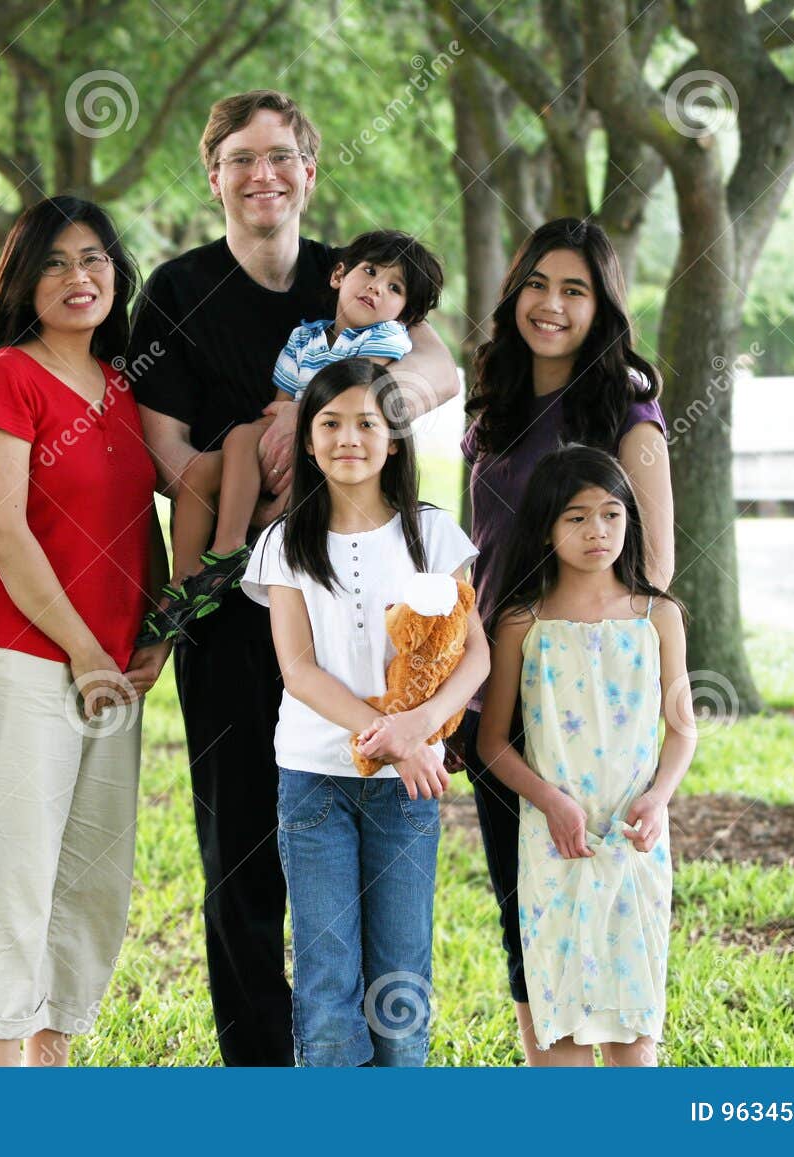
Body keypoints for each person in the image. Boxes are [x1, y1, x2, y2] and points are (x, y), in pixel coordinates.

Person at [127, 88, 460, 1066]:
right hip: (230, 607)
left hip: (352, 601)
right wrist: (255, 505)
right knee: (239, 849)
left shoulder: (351, 277)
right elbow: (163, 448)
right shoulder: (176, 291)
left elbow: (440, 358)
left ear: (309, 172)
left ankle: (365, 1058)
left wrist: (351, 410)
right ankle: (261, 1069)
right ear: (215, 175)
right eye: (240, 158)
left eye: (281, 156)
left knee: (362, 837)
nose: (261, 173)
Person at [0, 196, 170, 1066]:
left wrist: (153, 624)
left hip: (113, 666)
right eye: (55, 263)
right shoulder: (7, 373)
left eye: (94, 260)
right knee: (19, 877)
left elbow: (134, 516)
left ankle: (52, 1071)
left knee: (91, 883)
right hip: (23, 656)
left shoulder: (120, 385)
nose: (78, 278)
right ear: (21, 278)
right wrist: (82, 651)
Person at [456, 217, 674, 1061]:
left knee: (611, 896)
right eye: (538, 284)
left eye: (575, 290)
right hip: (495, 693)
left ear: (601, 306)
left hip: (586, 698)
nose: (551, 304)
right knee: (529, 905)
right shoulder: (495, 407)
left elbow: (656, 560)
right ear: (515, 293)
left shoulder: (626, 408)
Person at [243, 359, 487, 1066]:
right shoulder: (283, 543)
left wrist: (417, 732)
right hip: (313, 782)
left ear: (395, 439)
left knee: (401, 985)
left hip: (407, 790)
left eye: (367, 423)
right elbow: (299, 668)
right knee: (325, 987)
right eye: (330, 423)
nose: (349, 437)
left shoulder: (434, 536)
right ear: (309, 441)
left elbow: (475, 655)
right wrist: (385, 734)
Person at [476, 445, 694, 1066]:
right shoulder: (522, 621)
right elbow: (490, 741)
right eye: (576, 517)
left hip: (635, 840)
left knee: (634, 1031)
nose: (597, 531)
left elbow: (682, 732)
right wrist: (550, 802)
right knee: (563, 1024)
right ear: (546, 528)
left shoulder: (659, 616)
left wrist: (657, 799)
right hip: (554, 842)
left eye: (611, 514)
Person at [154, 230, 444, 634]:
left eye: (394, 288)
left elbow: (350, 391)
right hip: (287, 439)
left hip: (327, 453)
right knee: (201, 471)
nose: (377, 288)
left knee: (240, 437)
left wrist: (294, 420)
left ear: (404, 312)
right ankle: (183, 584)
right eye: (370, 272)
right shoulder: (304, 338)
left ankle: (228, 550)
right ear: (339, 275)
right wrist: (275, 433)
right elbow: (279, 404)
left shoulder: (384, 337)